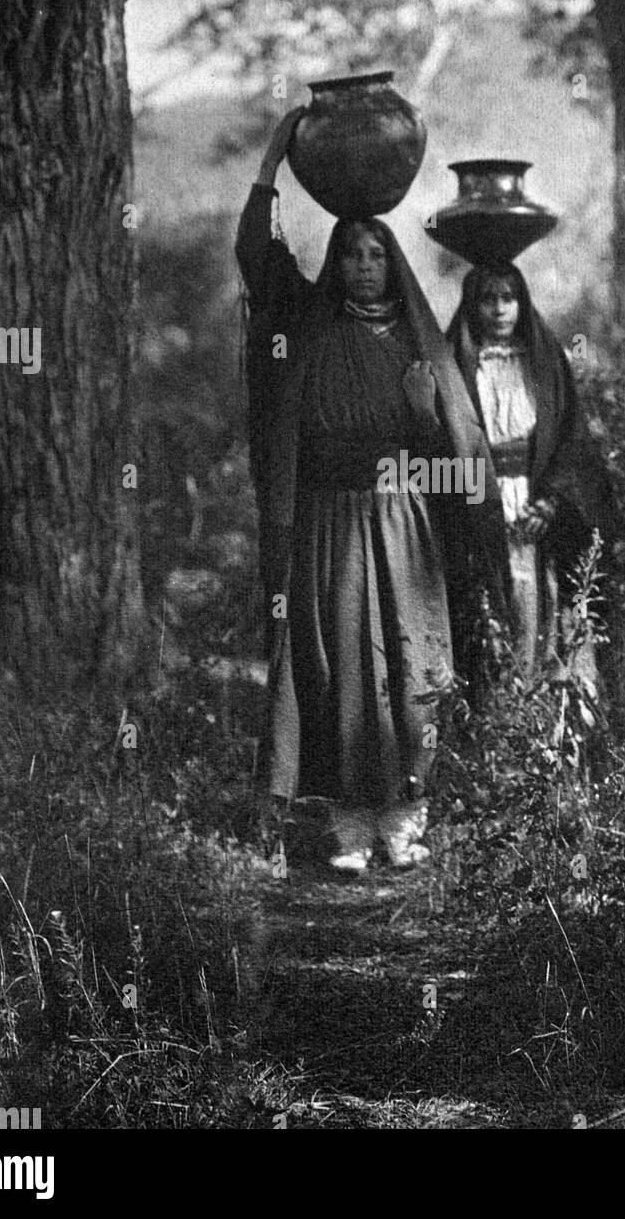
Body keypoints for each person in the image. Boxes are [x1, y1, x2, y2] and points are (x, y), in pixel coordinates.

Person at [235, 111, 505, 873]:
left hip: (402, 526)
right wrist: (271, 159)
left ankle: (405, 815)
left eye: (373, 254)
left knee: (410, 659)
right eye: (348, 254)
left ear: (392, 264)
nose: (360, 265)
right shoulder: (306, 324)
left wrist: (422, 419)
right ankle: (348, 823)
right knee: (338, 662)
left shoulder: (422, 345)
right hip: (327, 523)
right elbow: (257, 255)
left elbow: (453, 459)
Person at [446, 262, 609, 685]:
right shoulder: (457, 365)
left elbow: (572, 439)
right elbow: (439, 442)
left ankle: (546, 728)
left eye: (509, 298)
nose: (500, 310)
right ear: (472, 305)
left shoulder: (544, 361)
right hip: (481, 503)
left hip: (536, 509)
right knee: (489, 613)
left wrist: (551, 501)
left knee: (542, 607)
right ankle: (495, 722)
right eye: (488, 299)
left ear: (522, 303)